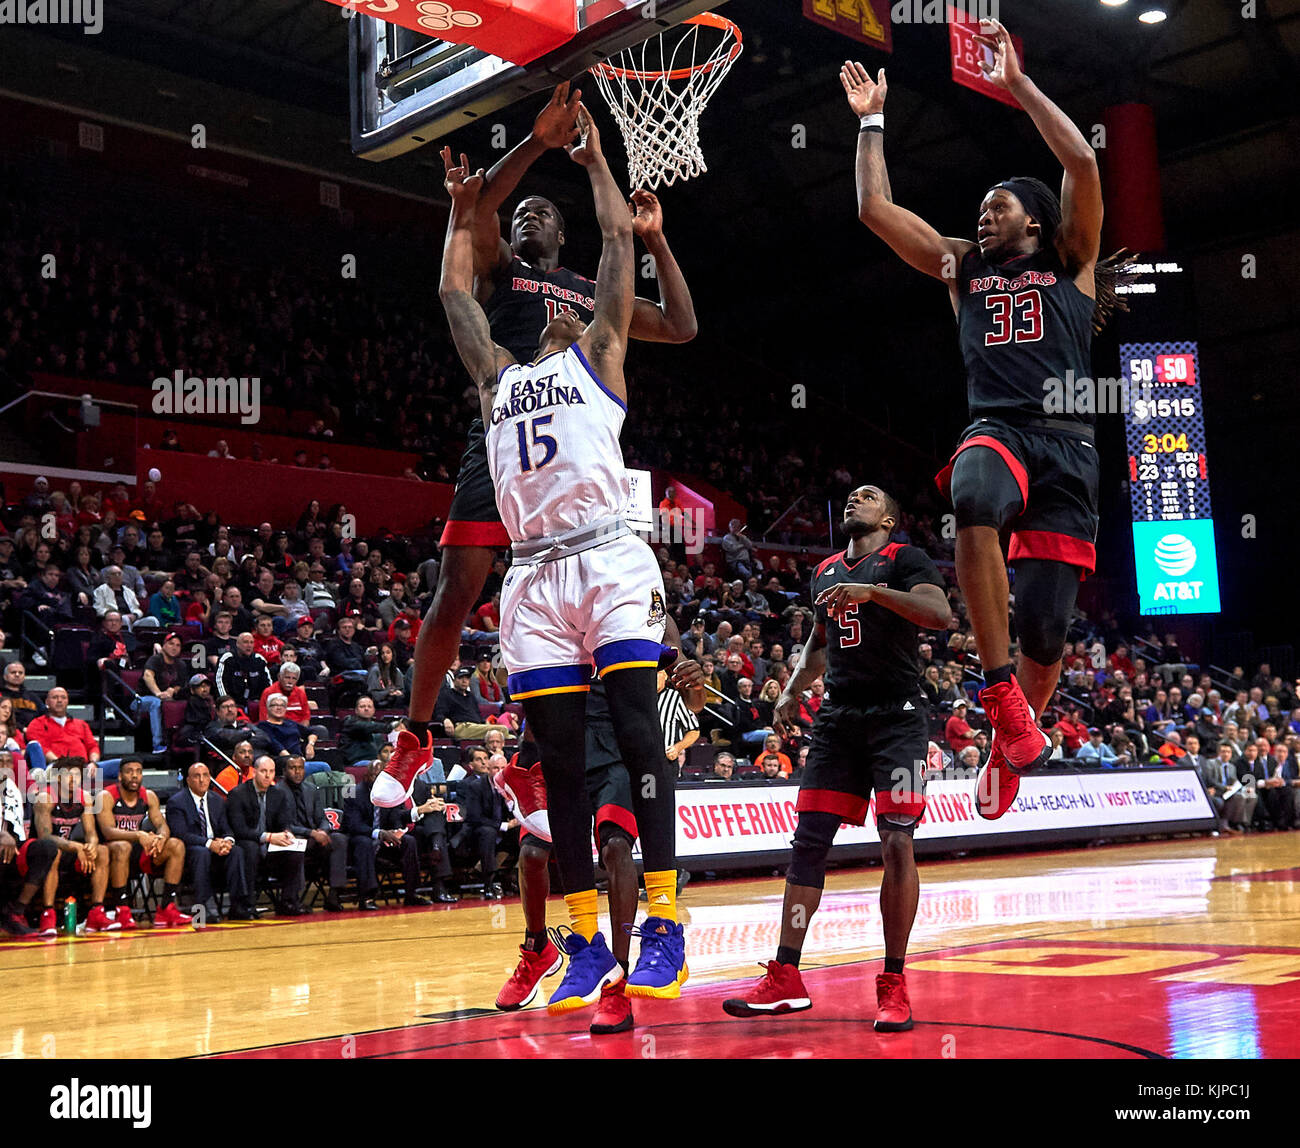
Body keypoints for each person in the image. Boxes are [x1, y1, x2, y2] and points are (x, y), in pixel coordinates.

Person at [374, 80, 696, 812]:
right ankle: (416, 735)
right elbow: (476, 212)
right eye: (521, 214)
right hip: (506, 435)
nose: (527, 217)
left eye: (541, 213)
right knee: (457, 590)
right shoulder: (504, 271)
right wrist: (539, 144)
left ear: (561, 233)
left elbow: (681, 326)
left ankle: (529, 761)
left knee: (579, 606)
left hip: (577, 447)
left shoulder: (587, 291)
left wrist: (655, 239)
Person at [431, 112, 689, 1003]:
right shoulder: (497, 378)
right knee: (561, 764)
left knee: (635, 726)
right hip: (535, 575)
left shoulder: (602, 355)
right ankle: (584, 941)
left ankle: (665, 918)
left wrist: (595, 163)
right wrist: (462, 216)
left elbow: (619, 239)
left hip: (610, 560)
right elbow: (455, 294)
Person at [843, 21, 1129, 821]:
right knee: (971, 484)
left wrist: (1017, 87)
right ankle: (998, 690)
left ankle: (1012, 735)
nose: (983, 216)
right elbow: (874, 208)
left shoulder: (1072, 260)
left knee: (1046, 634)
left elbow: (1080, 160)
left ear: (1035, 223)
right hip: (998, 428)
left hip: (1068, 450)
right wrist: (872, 121)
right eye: (980, 210)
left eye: (996, 208)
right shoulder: (961, 267)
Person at [723, 485, 950, 1032]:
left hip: (897, 716)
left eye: (869, 497)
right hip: (839, 719)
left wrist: (875, 593)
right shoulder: (824, 571)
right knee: (808, 842)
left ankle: (893, 979)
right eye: (849, 496)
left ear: (890, 517)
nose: (854, 500)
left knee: (897, 836)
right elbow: (821, 643)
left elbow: (940, 613)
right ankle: (786, 974)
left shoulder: (904, 558)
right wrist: (792, 688)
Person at [493, 624, 702, 1033]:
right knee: (532, 855)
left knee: (616, 848)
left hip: (617, 743)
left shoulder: (639, 604)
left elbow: (689, 693)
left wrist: (693, 678)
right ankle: (538, 949)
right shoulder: (551, 598)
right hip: (555, 738)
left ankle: (617, 984)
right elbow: (508, 672)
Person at [95, 758, 192, 927]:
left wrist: (161, 838)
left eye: (138, 771)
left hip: (139, 852)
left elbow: (162, 824)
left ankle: (166, 907)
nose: (134, 776)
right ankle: (122, 910)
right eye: (129, 771)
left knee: (176, 845)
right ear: (119, 776)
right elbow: (108, 832)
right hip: (110, 853)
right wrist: (138, 834)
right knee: (122, 846)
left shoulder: (148, 796)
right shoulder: (106, 796)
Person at [31, 758, 116, 934]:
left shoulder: (84, 797)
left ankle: (96, 912)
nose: (73, 779)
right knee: (53, 852)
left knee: (102, 851)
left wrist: (91, 845)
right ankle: (48, 914)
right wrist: (77, 847)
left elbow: (91, 832)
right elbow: (45, 836)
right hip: (40, 853)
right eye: (67, 775)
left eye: (76, 775)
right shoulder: (45, 797)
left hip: (68, 849)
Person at [167, 761, 252, 920]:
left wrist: (227, 841)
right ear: (188, 780)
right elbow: (181, 834)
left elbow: (226, 828)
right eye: (197, 776)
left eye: (205, 776)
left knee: (237, 851)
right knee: (202, 853)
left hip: (215, 847)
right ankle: (204, 906)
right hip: (190, 851)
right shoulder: (176, 802)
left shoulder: (216, 800)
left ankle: (238, 905)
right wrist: (209, 844)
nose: (202, 780)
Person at [226, 754, 308, 915]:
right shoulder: (238, 794)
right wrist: (268, 837)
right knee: (250, 849)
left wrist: (287, 833)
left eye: (271, 771)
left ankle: (289, 902)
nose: (267, 775)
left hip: (271, 846)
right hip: (247, 842)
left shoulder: (277, 794)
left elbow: (284, 822)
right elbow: (239, 829)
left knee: (294, 851)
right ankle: (246, 905)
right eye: (263, 771)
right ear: (254, 772)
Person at [1, 752, 58, 935]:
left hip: (11, 848)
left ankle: (16, 912)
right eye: (0, 761)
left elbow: (18, 831)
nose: (4, 765)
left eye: (8, 762)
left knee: (46, 848)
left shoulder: (13, 790)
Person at [282, 755, 349, 912]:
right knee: (296, 844)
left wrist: (323, 830)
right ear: (284, 771)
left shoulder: (310, 789)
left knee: (339, 839)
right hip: (294, 837)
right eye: (293, 768)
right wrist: (312, 833)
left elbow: (323, 817)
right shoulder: (278, 791)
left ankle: (334, 894)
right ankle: (293, 899)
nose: (297, 772)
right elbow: (286, 825)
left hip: (314, 838)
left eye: (300, 768)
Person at [215, 632, 273, 717]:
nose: (249, 645)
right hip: (233, 702)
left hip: (254, 703)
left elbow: (268, 686)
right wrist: (228, 703)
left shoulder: (259, 660)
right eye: (245, 642)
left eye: (251, 642)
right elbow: (219, 682)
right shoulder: (228, 659)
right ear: (237, 644)